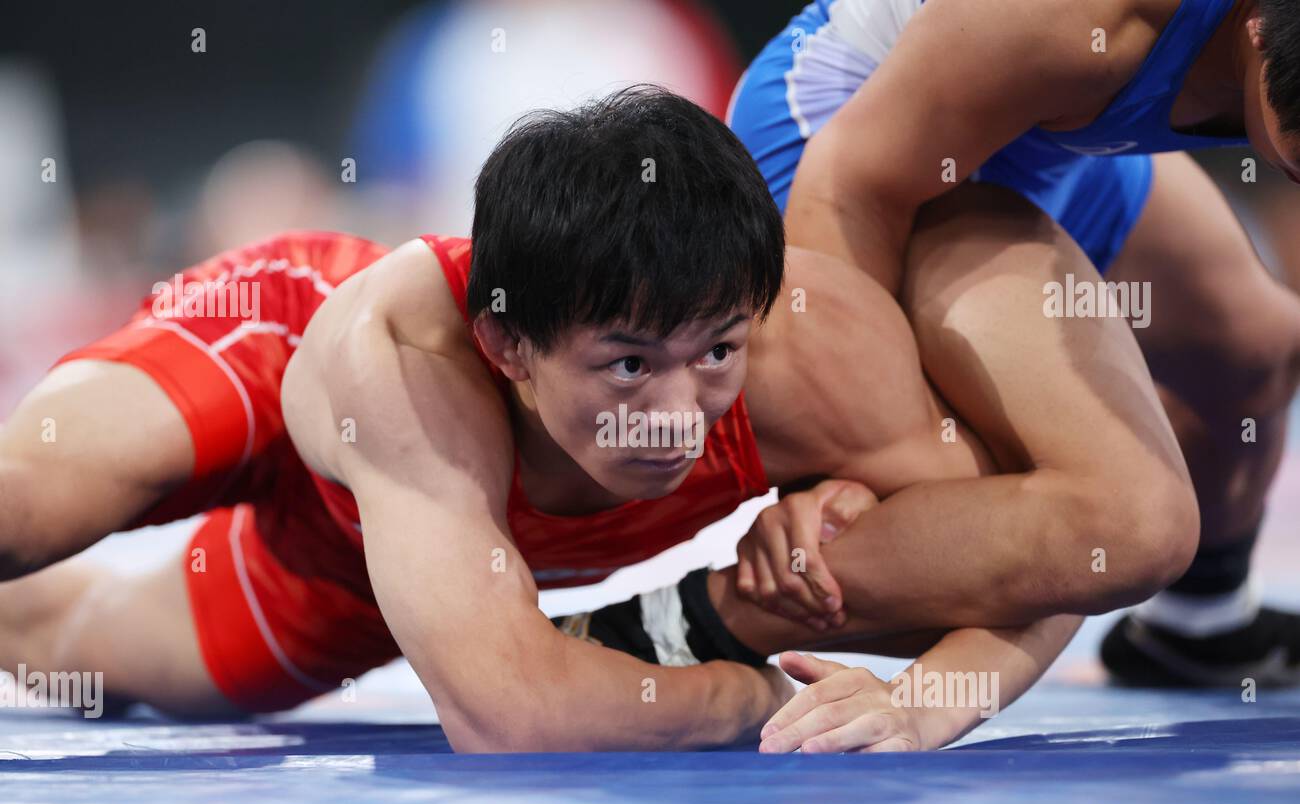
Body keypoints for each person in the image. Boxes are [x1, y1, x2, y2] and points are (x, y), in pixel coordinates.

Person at [0, 89, 1191, 753]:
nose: (678, 417)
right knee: (28, 505)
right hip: (287, 355)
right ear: (508, 345)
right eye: (627, 366)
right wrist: (745, 695)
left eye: (715, 353)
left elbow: (1051, 551)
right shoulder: (405, 363)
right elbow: (512, 717)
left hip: (400, 550)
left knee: (66, 655)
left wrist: (934, 696)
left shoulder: (813, 348)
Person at [727, 0, 1300, 686]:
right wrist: (840, 469)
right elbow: (853, 181)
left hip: (1045, 140)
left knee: (1255, 345)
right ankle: (701, 616)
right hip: (849, 144)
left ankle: (1199, 627)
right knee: (1000, 516)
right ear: (1257, 29)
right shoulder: (1075, 18)